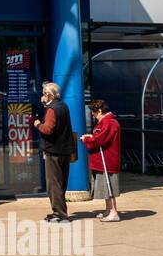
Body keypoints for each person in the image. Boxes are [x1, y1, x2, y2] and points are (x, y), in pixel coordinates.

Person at [34, 81, 76, 222]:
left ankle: (60, 214)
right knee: (61, 182)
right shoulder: (63, 106)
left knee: (54, 183)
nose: (42, 96)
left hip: (54, 150)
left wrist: (38, 124)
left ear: (48, 95)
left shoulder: (52, 109)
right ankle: (60, 211)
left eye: (44, 94)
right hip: (65, 149)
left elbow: (47, 129)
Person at [80, 99, 121, 221]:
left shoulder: (109, 123)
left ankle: (114, 212)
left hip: (107, 161)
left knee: (109, 187)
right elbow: (100, 137)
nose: (93, 115)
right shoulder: (105, 123)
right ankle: (109, 209)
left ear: (99, 111)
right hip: (102, 161)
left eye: (93, 113)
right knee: (105, 187)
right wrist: (91, 136)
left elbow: (100, 140)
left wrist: (87, 140)